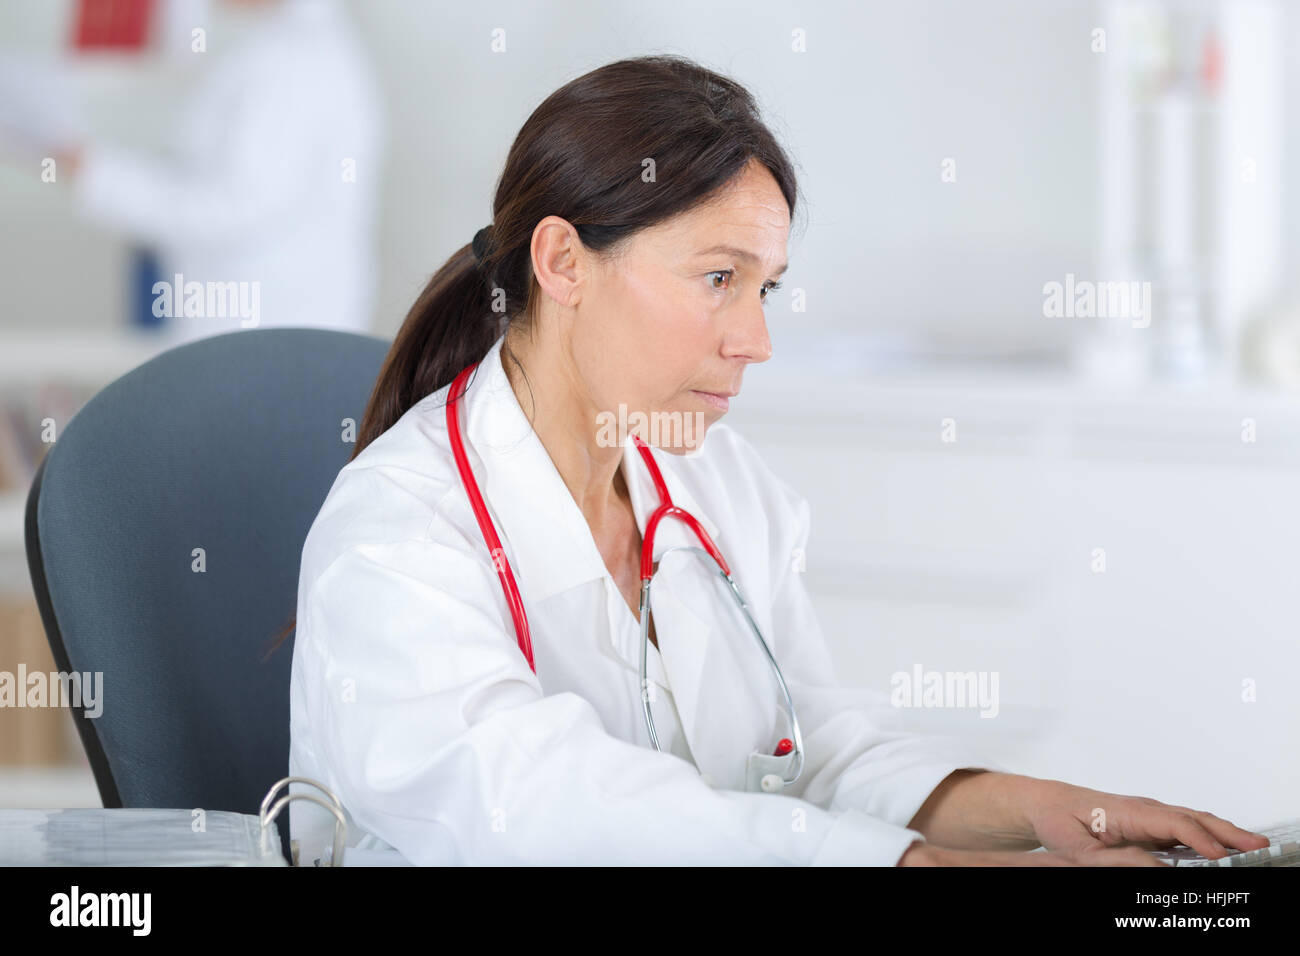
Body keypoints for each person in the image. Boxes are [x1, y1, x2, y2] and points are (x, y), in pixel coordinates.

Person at [279, 54, 1268, 866]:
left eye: (767, 289)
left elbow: (807, 755)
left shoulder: (718, 486)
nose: (754, 339)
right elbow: (541, 807)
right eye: (718, 279)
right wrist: (905, 864)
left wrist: (1044, 809)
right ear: (563, 262)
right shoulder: (399, 531)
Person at [9, 0, 385, 345]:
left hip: (266, 332)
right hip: (256, 330)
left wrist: (87, 169)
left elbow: (233, 208)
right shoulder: (283, 49)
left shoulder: (295, 63)